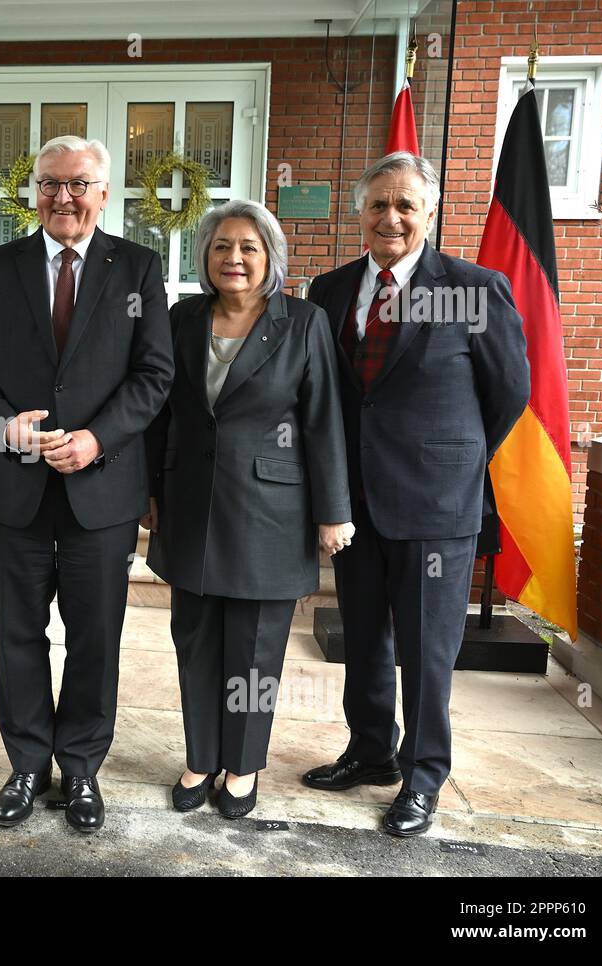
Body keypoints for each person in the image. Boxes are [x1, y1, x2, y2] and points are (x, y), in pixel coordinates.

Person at [0, 135, 174, 832]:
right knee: (19, 633)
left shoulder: (138, 267)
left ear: (103, 194)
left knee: (95, 636)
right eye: (50, 183)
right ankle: (24, 764)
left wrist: (96, 437)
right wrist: (3, 424)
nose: (64, 197)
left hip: (100, 489)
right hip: (12, 485)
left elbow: (154, 373)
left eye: (79, 184)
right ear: (33, 192)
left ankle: (79, 769)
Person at [301, 151, 530, 836]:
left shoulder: (472, 287)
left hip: (437, 504)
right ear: (360, 214)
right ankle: (371, 752)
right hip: (356, 501)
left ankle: (423, 774)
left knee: (427, 650)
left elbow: (509, 391)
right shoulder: (331, 289)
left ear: (429, 213)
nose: (391, 217)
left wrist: (454, 460)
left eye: (406, 205)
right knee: (363, 636)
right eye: (378, 204)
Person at [143, 200, 352, 818]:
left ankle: (242, 765)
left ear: (270, 259)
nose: (234, 258)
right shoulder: (181, 319)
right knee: (196, 642)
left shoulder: (304, 322)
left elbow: (324, 421)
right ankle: (200, 757)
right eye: (221, 247)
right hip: (189, 504)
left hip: (271, 510)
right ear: (205, 257)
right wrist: (149, 491)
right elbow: (161, 413)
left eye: (248, 248)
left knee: (256, 650)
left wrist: (333, 512)